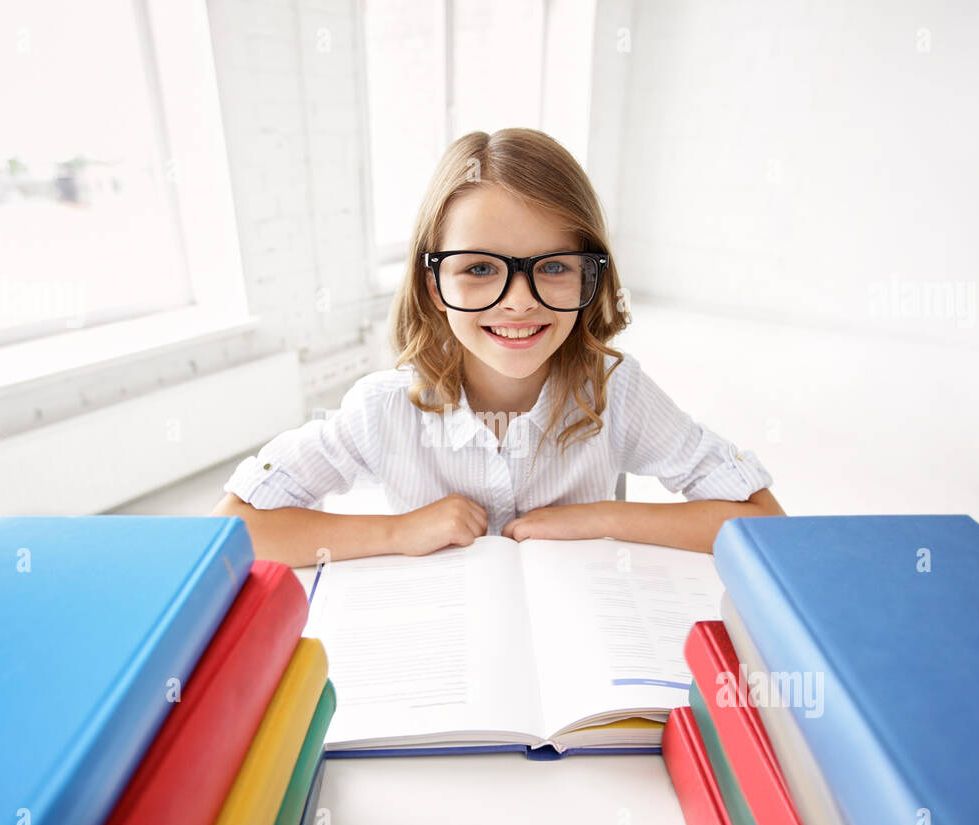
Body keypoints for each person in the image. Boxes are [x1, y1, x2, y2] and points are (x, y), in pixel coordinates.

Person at [212, 128, 784, 567]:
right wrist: (397, 532)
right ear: (434, 284)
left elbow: (763, 521)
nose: (518, 303)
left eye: (554, 266)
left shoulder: (617, 392)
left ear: (589, 278)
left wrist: (596, 518)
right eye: (481, 268)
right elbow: (235, 529)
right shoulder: (383, 408)